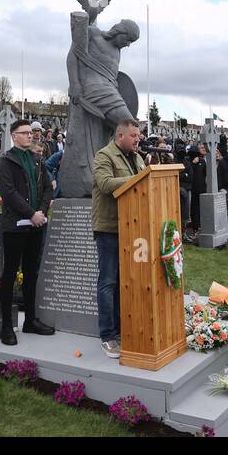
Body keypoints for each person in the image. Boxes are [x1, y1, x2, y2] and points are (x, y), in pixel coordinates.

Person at [0, 119, 56, 345]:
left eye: (32, 133)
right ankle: (6, 327)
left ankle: (30, 320)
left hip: (36, 225)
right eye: (25, 133)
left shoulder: (37, 160)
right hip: (15, 226)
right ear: (14, 136)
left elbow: (47, 189)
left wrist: (39, 212)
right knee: (10, 274)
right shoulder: (6, 161)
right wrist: (32, 213)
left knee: (32, 273)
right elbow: (9, 194)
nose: (31, 136)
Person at [91, 118, 146, 358]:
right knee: (108, 282)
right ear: (120, 136)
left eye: (138, 136)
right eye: (133, 136)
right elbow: (105, 185)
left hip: (133, 226)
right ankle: (108, 335)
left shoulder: (137, 157)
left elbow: (147, 181)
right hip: (109, 227)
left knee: (127, 281)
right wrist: (139, 179)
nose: (138, 139)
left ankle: (124, 328)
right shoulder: (104, 156)